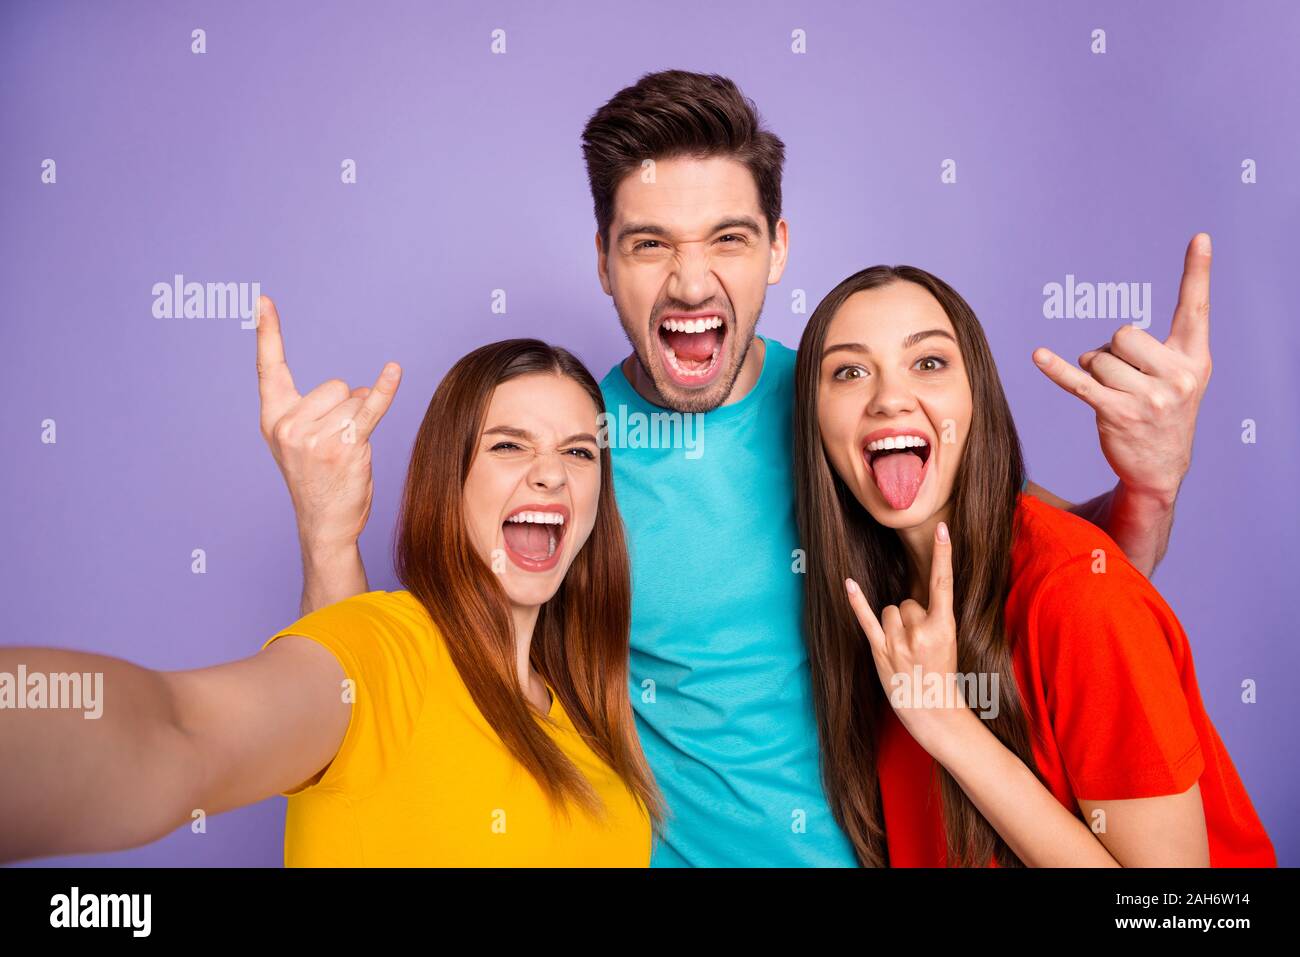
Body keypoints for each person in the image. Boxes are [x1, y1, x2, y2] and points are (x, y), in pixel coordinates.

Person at [264, 71, 1214, 866]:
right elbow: (392, 684)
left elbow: (1052, 576)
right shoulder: (568, 456)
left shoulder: (853, 413)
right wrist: (326, 531)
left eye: (727, 236)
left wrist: (1151, 484)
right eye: (649, 244)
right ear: (602, 261)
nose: (688, 280)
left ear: (778, 248)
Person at [0, 340, 659, 866]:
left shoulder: (584, 712)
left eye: (578, 451)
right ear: (447, 480)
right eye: (509, 445)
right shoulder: (391, 646)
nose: (550, 471)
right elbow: (178, 730)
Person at [792, 265, 1274, 866]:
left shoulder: (1077, 593)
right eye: (850, 372)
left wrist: (947, 721)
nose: (889, 397)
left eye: (929, 363)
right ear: (814, 422)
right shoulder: (876, 604)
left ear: (977, 399)